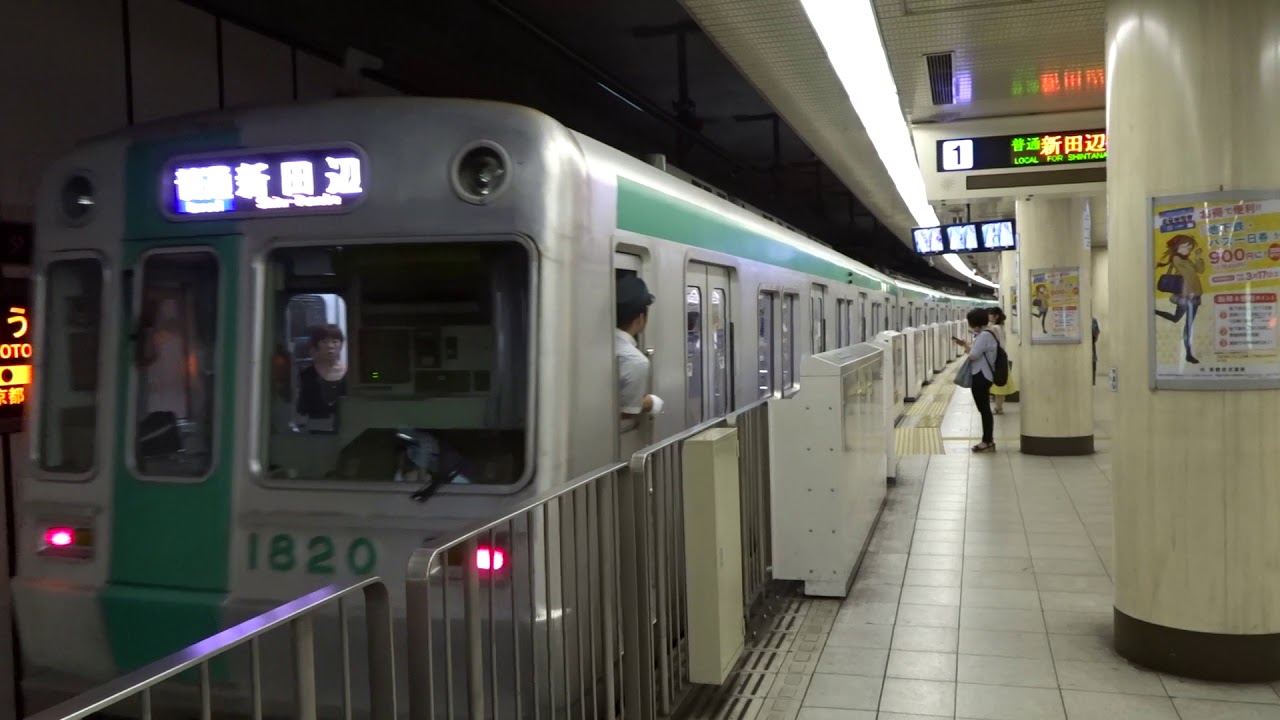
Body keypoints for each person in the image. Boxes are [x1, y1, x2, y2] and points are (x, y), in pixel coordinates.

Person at [616, 274, 663, 429]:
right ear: (641, 318)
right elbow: (628, 411)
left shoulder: (594, 347)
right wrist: (651, 403)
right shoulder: (636, 361)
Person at [957, 307, 998, 453]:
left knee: (984, 410)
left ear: (975, 322)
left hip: (981, 375)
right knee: (984, 409)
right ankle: (988, 440)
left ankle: (987, 441)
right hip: (983, 375)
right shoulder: (985, 334)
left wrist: (967, 348)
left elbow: (974, 355)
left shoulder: (984, 336)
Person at [295, 324, 347, 432]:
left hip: (347, 429)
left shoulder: (350, 374)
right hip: (314, 432)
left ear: (341, 345)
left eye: (335, 341)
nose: (330, 346)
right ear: (316, 346)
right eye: (324, 342)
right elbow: (301, 409)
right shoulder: (306, 374)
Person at [987, 306, 1015, 414]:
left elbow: (992, 344)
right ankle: (1000, 407)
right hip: (1003, 357)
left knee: (998, 386)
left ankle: (998, 408)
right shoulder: (1001, 327)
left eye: (990, 314)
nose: (988, 316)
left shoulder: (994, 328)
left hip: (996, 358)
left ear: (996, 316)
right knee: (1002, 384)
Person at [1091, 317, 1101, 384]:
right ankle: (1092, 382)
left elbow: (1096, 333)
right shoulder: (1092, 320)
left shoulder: (1093, 320)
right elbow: (1096, 334)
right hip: (1091, 347)